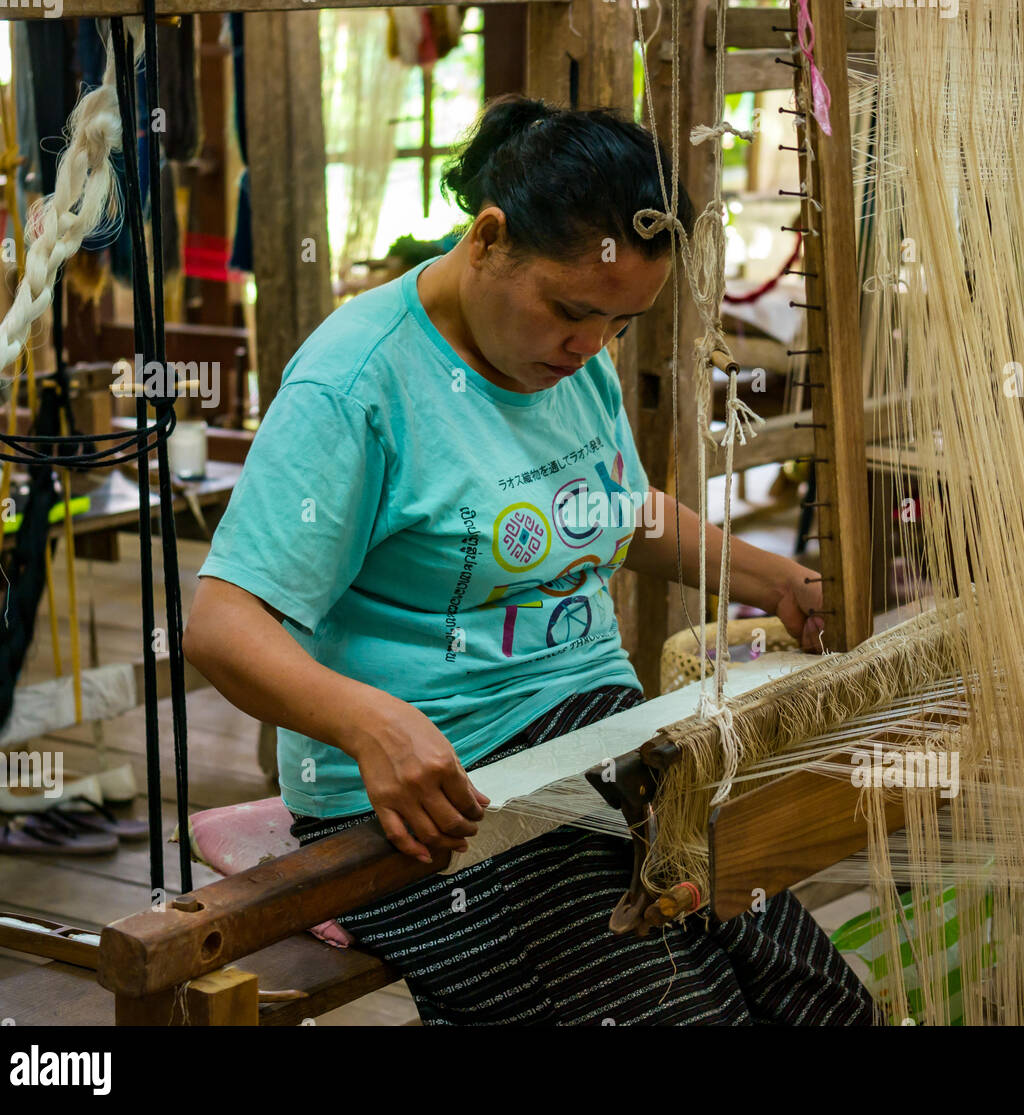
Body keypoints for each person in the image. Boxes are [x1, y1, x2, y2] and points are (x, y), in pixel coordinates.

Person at [183, 95, 872, 1026]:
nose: (594, 346)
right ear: (489, 237)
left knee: (819, 1000)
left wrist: (780, 579)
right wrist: (370, 725)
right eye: (575, 311)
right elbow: (222, 623)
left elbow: (618, 516)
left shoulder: (568, 358)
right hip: (434, 796)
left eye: (620, 326)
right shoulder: (358, 385)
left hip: (596, 739)